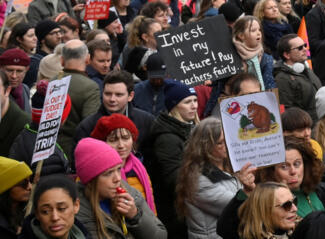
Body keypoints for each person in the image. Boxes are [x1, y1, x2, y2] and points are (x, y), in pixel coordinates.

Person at [177, 118, 256, 239]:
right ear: (205, 146)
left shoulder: (229, 167)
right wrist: (248, 189)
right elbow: (239, 209)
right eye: (220, 143)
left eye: (227, 140)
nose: (227, 145)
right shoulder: (199, 180)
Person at [74, 138, 168, 239]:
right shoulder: (77, 210)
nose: (118, 178)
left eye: (118, 169)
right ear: (91, 181)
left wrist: (135, 216)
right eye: (108, 173)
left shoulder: (128, 191)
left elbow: (160, 235)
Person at [144, 80, 198, 239]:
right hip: (174, 213)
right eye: (187, 102)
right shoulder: (167, 138)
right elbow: (175, 180)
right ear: (174, 106)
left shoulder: (189, 128)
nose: (194, 106)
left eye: (195, 100)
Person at [90, 114, 156, 214]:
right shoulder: (93, 173)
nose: (121, 145)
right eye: (113, 140)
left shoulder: (140, 169)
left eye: (125, 138)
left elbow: (152, 212)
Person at [74, 70, 155, 151]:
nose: (112, 99)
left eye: (118, 95)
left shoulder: (146, 122)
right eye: (108, 94)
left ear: (130, 96)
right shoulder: (87, 126)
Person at [257, 137, 325, 219]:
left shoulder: (323, 191)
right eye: (284, 166)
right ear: (271, 171)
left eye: (297, 164)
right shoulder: (266, 202)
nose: (293, 171)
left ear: (305, 165)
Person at [59, 39, 102, 158]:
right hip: (74, 149)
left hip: (48, 147)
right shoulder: (90, 87)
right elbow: (90, 125)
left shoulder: (53, 81)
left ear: (62, 60)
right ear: (88, 59)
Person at [274, 34, 322, 121]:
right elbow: (288, 111)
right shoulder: (281, 79)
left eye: (305, 45)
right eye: (300, 48)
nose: (305, 49)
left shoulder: (306, 69)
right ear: (287, 55)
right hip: (306, 125)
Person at [23, 175, 89, 239]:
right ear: (37, 213)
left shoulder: (83, 234)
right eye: (46, 211)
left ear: (76, 206)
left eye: (62, 209)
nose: (55, 217)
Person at [0, 156, 32, 237]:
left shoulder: (30, 212)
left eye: (30, 181)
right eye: (24, 183)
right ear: (6, 188)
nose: (30, 187)